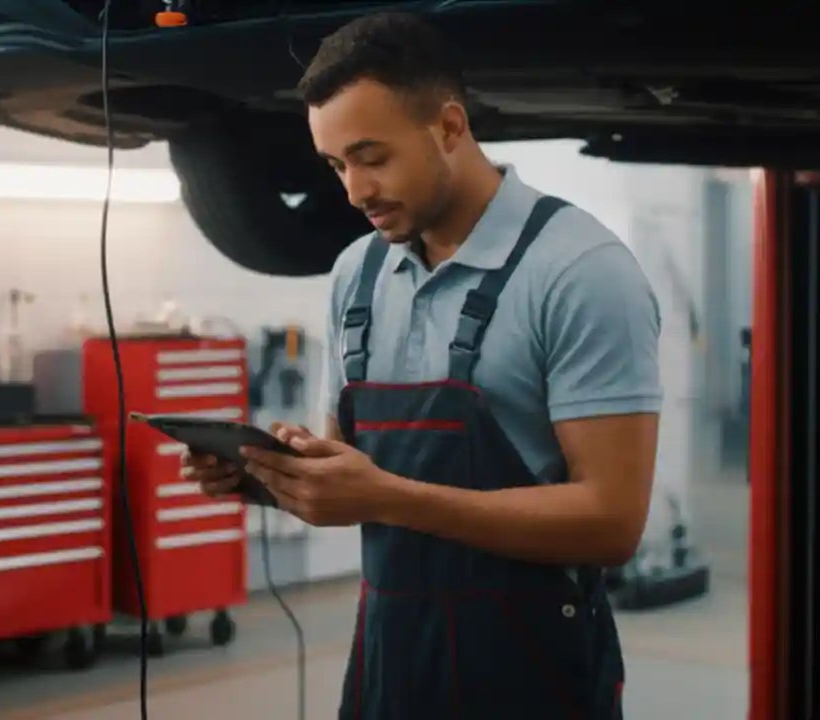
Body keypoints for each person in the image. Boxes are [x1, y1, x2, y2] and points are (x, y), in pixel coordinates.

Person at [182, 10, 661, 719]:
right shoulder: (355, 275)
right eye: (337, 165)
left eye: (373, 157)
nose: (354, 191)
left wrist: (386, 498)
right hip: (390, 664)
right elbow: (347, 468)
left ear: (449, 127)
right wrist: (267, 477)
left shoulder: (580, 271)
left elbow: (612, 524)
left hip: (531, 675)